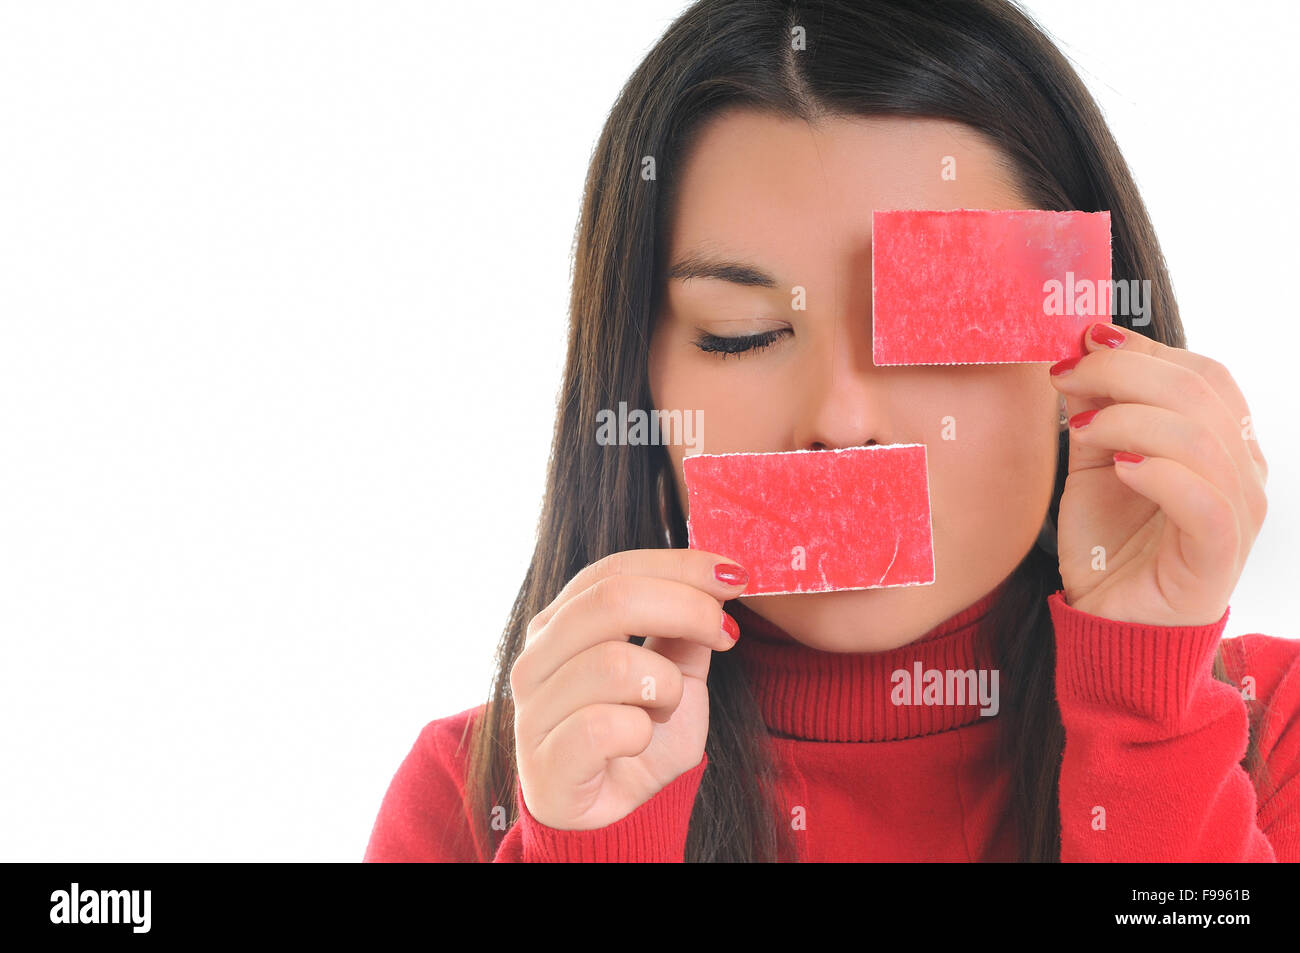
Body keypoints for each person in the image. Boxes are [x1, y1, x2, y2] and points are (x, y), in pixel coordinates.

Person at [363, 0, 1298, 862]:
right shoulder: (477, 796)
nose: (844, 421)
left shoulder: (1277, 732)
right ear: (637, 384)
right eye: (745, 336)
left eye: (941, 331)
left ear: (1089, 343)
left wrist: (1146, 713)